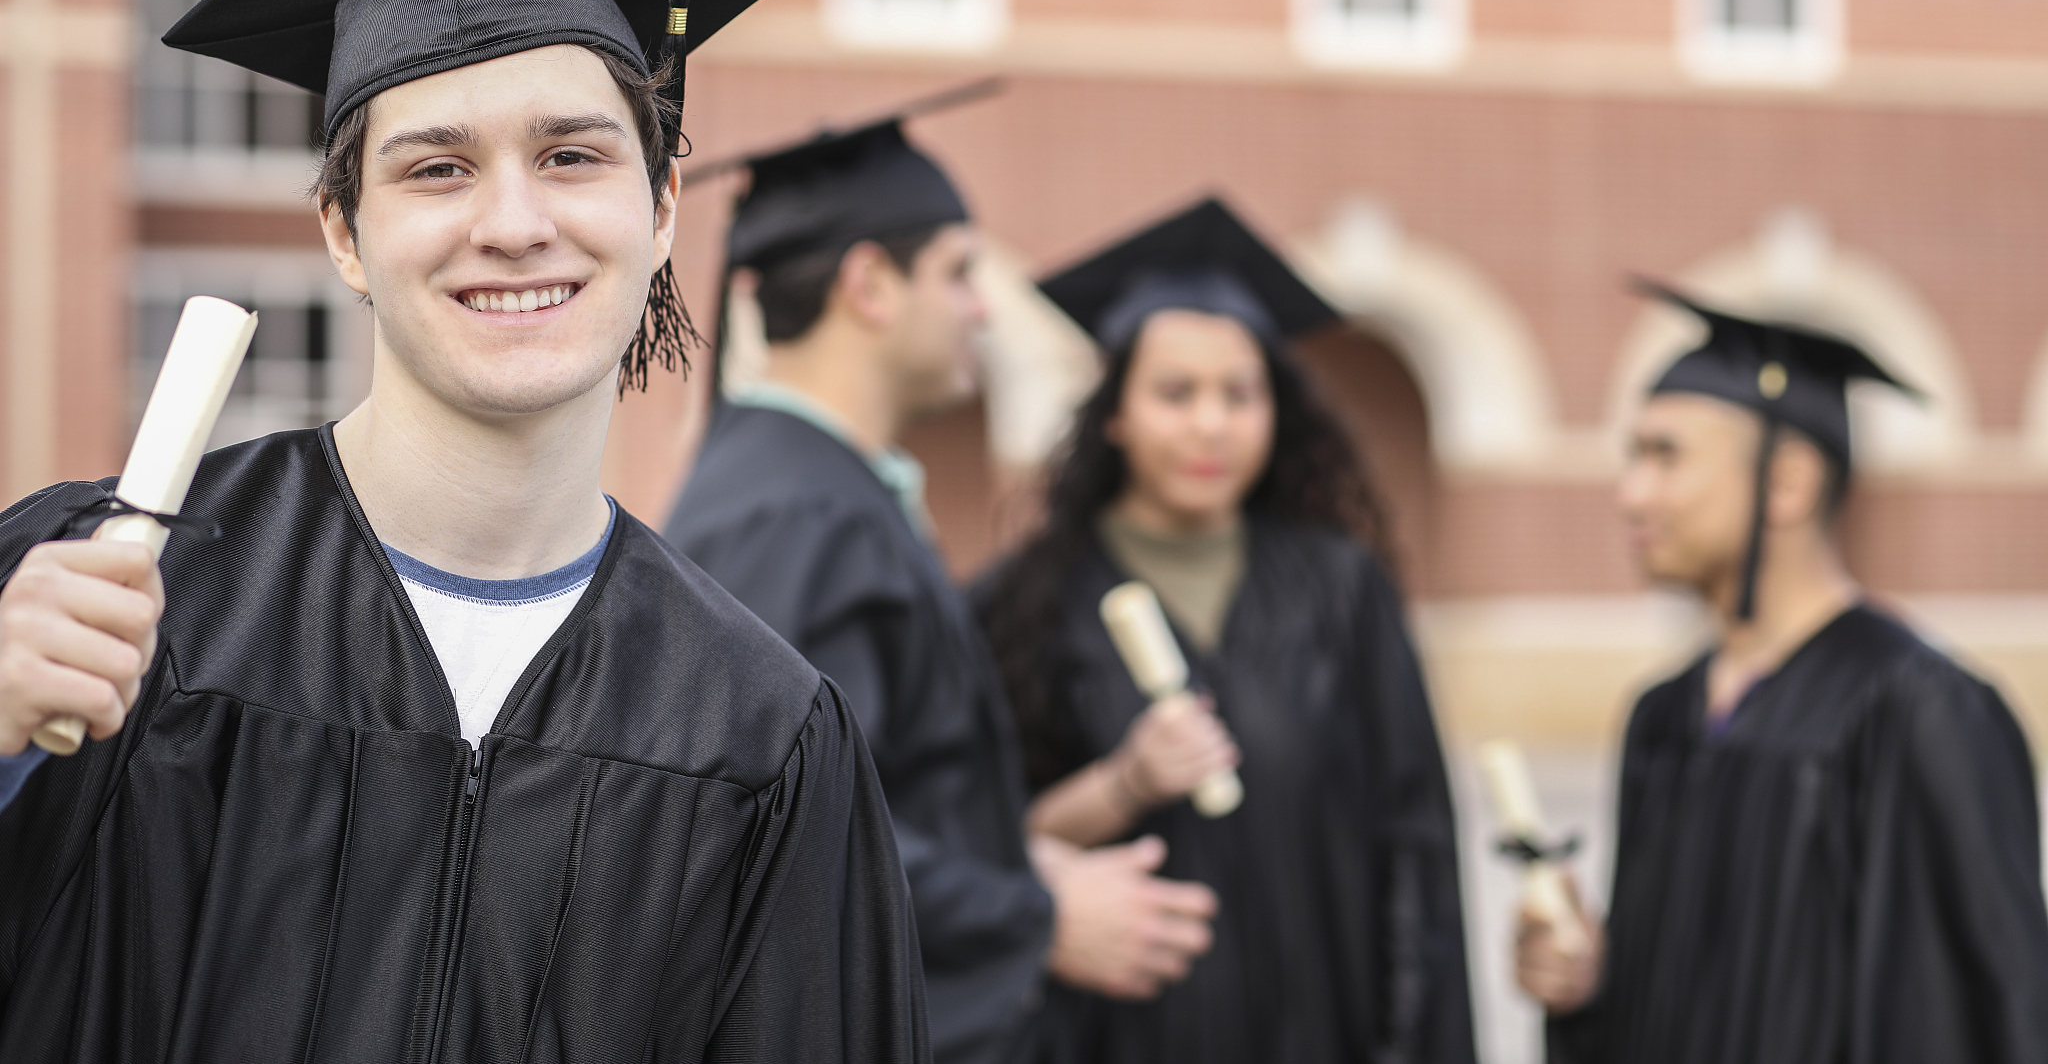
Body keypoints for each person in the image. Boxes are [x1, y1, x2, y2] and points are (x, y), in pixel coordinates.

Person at [0, 0, 925, 1062]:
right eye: (436, 167)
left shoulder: (759, 732)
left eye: (571, 156)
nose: (512, 222)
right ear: (343, 230)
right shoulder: (104, 603)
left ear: (660, 211)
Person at [664, 116, 1220, 1064]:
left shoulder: (819, 488)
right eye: (960, 272)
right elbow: (787, 836)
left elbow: (878, 794)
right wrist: (1036, 917)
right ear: (869, 285)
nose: (983, 308)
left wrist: (1012, 860)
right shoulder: (799, 514)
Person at [976, 197, 1475, 1064]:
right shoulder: (1023, 602)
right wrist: (1125, 783)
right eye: (1176, 393)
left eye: (1238, 394)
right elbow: (978, 841)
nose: (1210, 423)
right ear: (1118, 414)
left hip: (1327, 1033)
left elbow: (1415, 843)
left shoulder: (1342, 588)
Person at [1519, 283, 2048, 1064]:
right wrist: (1592, 984)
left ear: (1787, 483)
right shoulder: (1662, 714)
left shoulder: (1920, 710)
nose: (1631, 494)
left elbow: (1992, 1012)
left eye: (1666, 455)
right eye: (1632, 456)